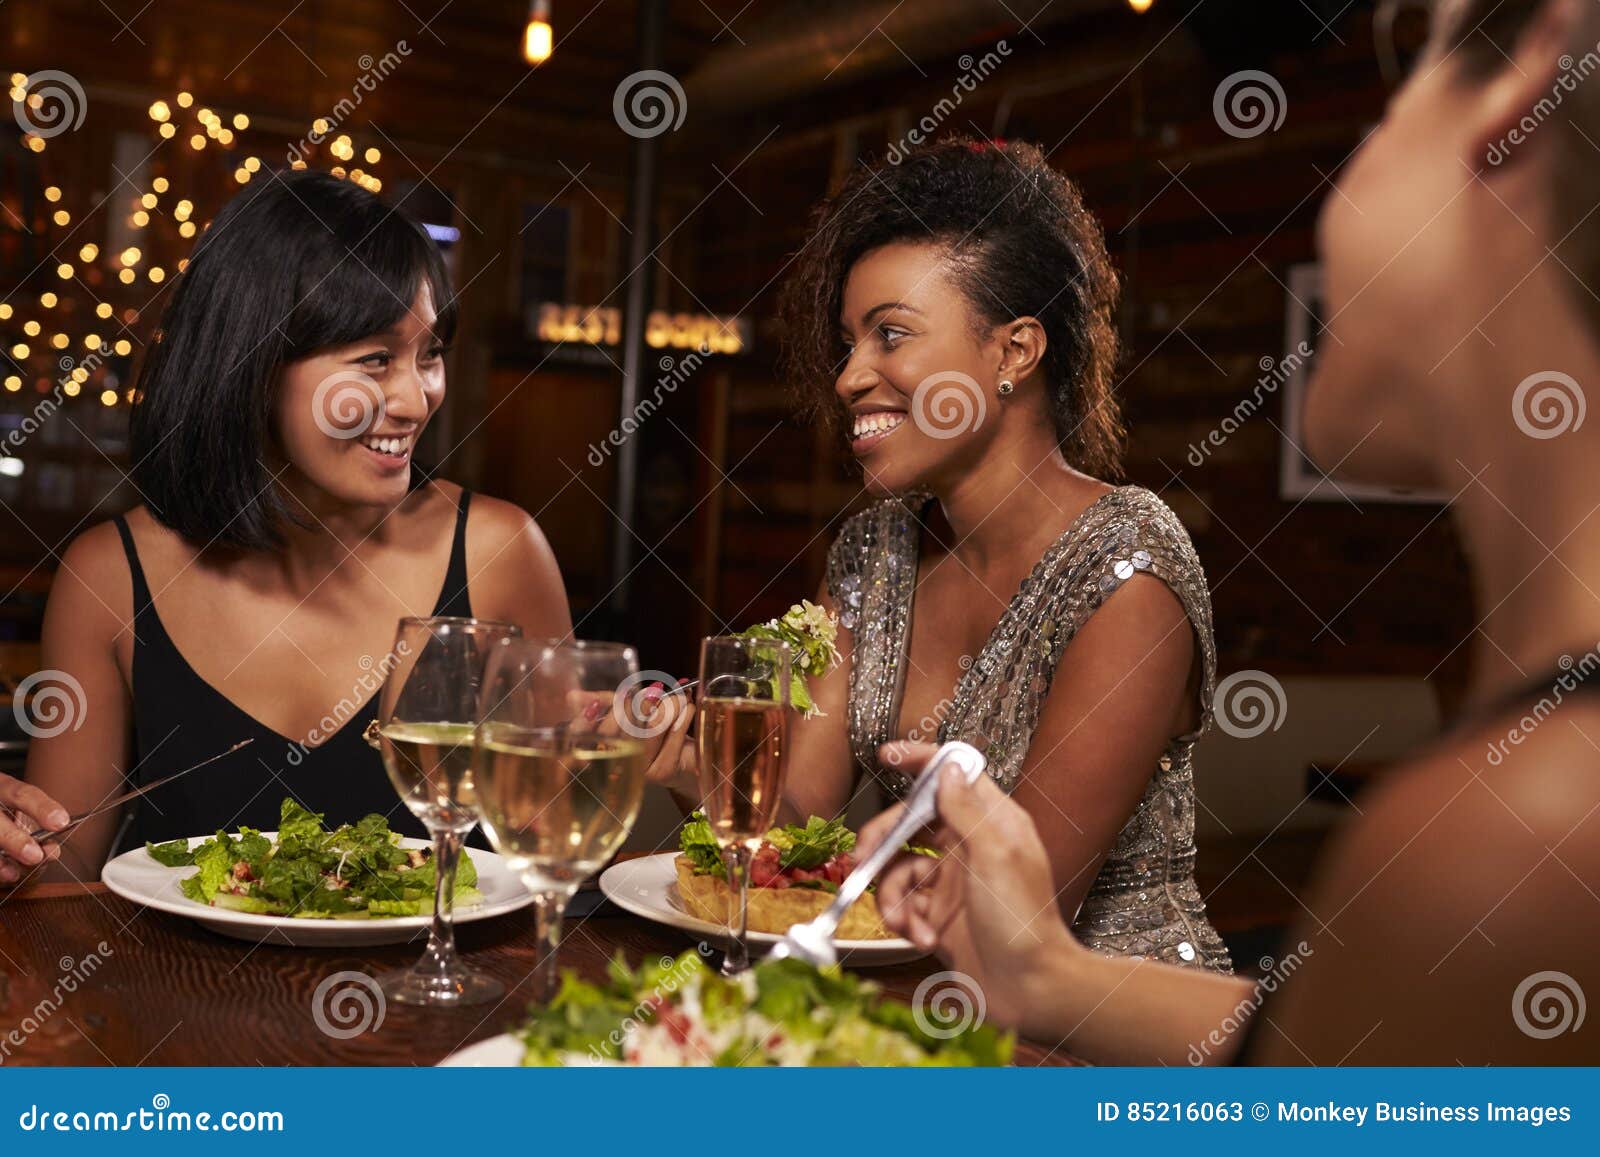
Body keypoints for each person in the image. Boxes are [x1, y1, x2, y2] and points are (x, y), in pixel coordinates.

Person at [859, 0, 1600, 1064]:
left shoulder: (1515, 849)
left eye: (1399, 80)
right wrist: (1051, 975)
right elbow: (1358, 1081)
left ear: (1521, 87)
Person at [0, 170, 686, 885]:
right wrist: (16, 855)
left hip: (438, 996)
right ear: (255, 365)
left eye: (430, 354)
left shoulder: (499, 552)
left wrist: (650, 761)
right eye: (376, 359)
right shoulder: (108, 576)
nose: (417, 397)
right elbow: (59, 884)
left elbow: (552, 856)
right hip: (180, 996)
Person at [653, 138, 1229, 971]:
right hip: (916, 997)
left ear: (1014, 353)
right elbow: (794, 825)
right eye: (849, 341)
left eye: (891, 334)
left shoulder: (1128, 565)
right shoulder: (871, 550)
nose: (851, 375)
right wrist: (688, 769)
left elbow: (1014, 914)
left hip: (1100, 1041)